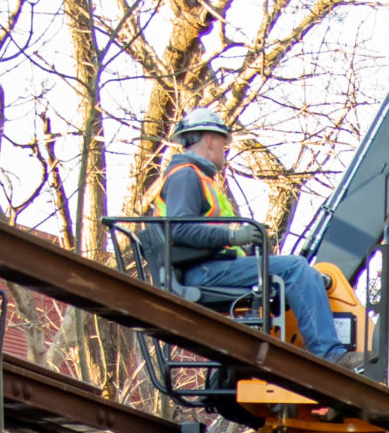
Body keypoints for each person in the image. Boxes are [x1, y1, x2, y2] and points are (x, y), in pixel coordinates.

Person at [148, 108, 357, 364]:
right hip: (202, 270)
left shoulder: (198, 177)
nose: (225, 150)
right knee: (295, 269)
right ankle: (328, 352)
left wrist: (242, 244)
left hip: (209, 265)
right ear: (211, 140)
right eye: (224, 143)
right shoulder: (186, 176)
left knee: (290, 270)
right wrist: (234, 236)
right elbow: (180, 230)